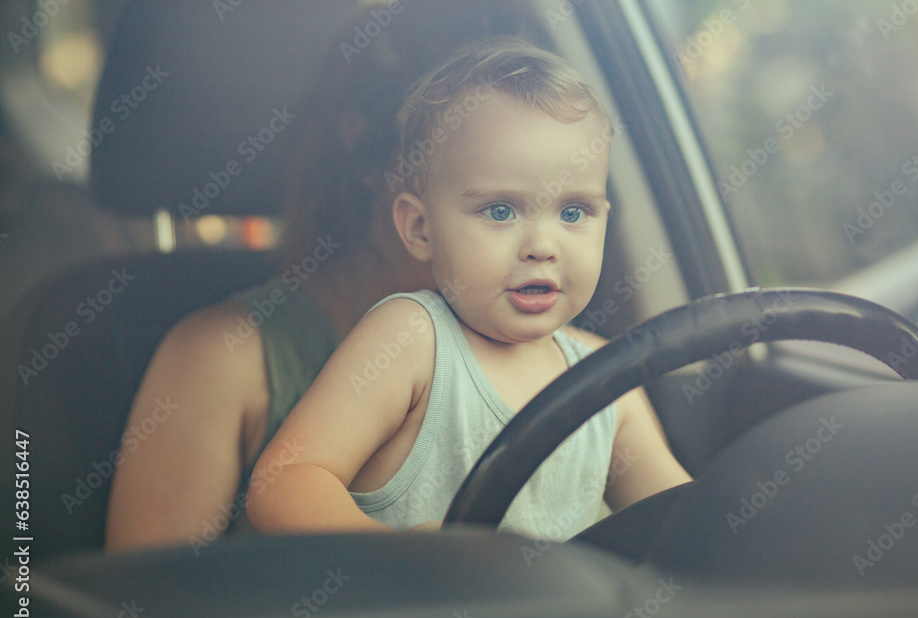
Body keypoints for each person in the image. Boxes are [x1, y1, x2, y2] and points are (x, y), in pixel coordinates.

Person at [104, 1, 547, 551]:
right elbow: (145, 613)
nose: (526, 230)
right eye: (479, 182)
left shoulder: (551, 353)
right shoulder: (223, 358)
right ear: (367, 151)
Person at [247, 38, 691, 540]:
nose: (542, 246)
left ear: (604, 220)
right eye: (499, 211)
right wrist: (400, 552)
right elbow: (283, 481)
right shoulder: (412, 341)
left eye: (574, 212)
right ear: (420, 229)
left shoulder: (606, 381)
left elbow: (685, 524)